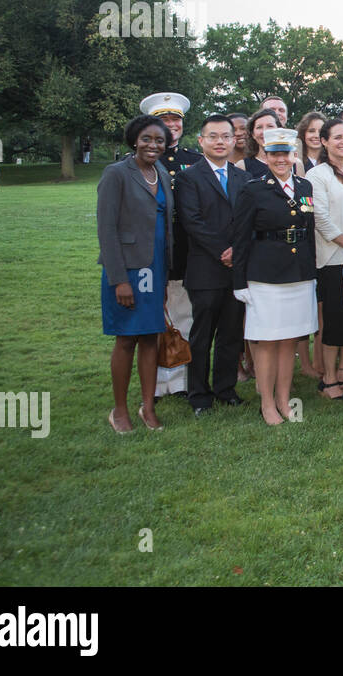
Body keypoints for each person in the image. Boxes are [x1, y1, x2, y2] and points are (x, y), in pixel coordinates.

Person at [231, 127, 318, 425]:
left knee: (290, 340)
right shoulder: (252, 189)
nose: (281, 159)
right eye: (274, 154)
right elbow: (240, 238)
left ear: (295, 156)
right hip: (265, 277)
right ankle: (267, 403)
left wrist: (312, 272)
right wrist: (239, 282)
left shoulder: (305, 187)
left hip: (299, 275)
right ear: (266, 156)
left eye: (286, 154)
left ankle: (284, 399)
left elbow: (308, 235)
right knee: (267, 341)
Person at [97, 115, 173, 432]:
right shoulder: (116, 174)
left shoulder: (162, 174)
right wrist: (120, 280)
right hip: (127, 270)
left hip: (155, 268)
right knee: (126, 339)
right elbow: (106, 230)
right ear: (134, 141)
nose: (153, 145)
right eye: (146, 139)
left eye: (159, 140)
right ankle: (119, 410)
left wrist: (165, 276)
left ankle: (148, 407)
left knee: (151, 339)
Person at [174, 114, 250, 417]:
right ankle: (198, 394)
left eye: (226, 136)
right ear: (201, 141)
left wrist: (238, 250)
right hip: (205, 269)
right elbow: (192, 221)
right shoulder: (188, 177)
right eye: (213, 136)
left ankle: (225, 388)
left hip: (236, 270)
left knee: (231, 334)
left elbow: (247, 220)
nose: (220, 142)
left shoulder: (244, 178)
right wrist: (222, 250)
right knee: (202, 335)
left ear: (234, 141)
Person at [141, 92, 203, 399]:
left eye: (175, 119)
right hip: (150, 252)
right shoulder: (140, 162)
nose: (171, 125)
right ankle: (153, 382)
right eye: (164, 120)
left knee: (183, 316)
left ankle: (179, 381)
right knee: (152, 320)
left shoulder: (194, 160)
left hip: (185, 251)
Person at [307, 118, 343, 400]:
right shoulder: (317, 176)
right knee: (335, 319)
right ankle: (328, 379)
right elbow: (320, 218)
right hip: (333, 258)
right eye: (337, 137)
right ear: (325, 141)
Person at [241, 108, 282, 179]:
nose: (265, 131)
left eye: (270, 126)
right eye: (259, 127)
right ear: (253, 134)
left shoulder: (294, 164)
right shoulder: (242, 166)